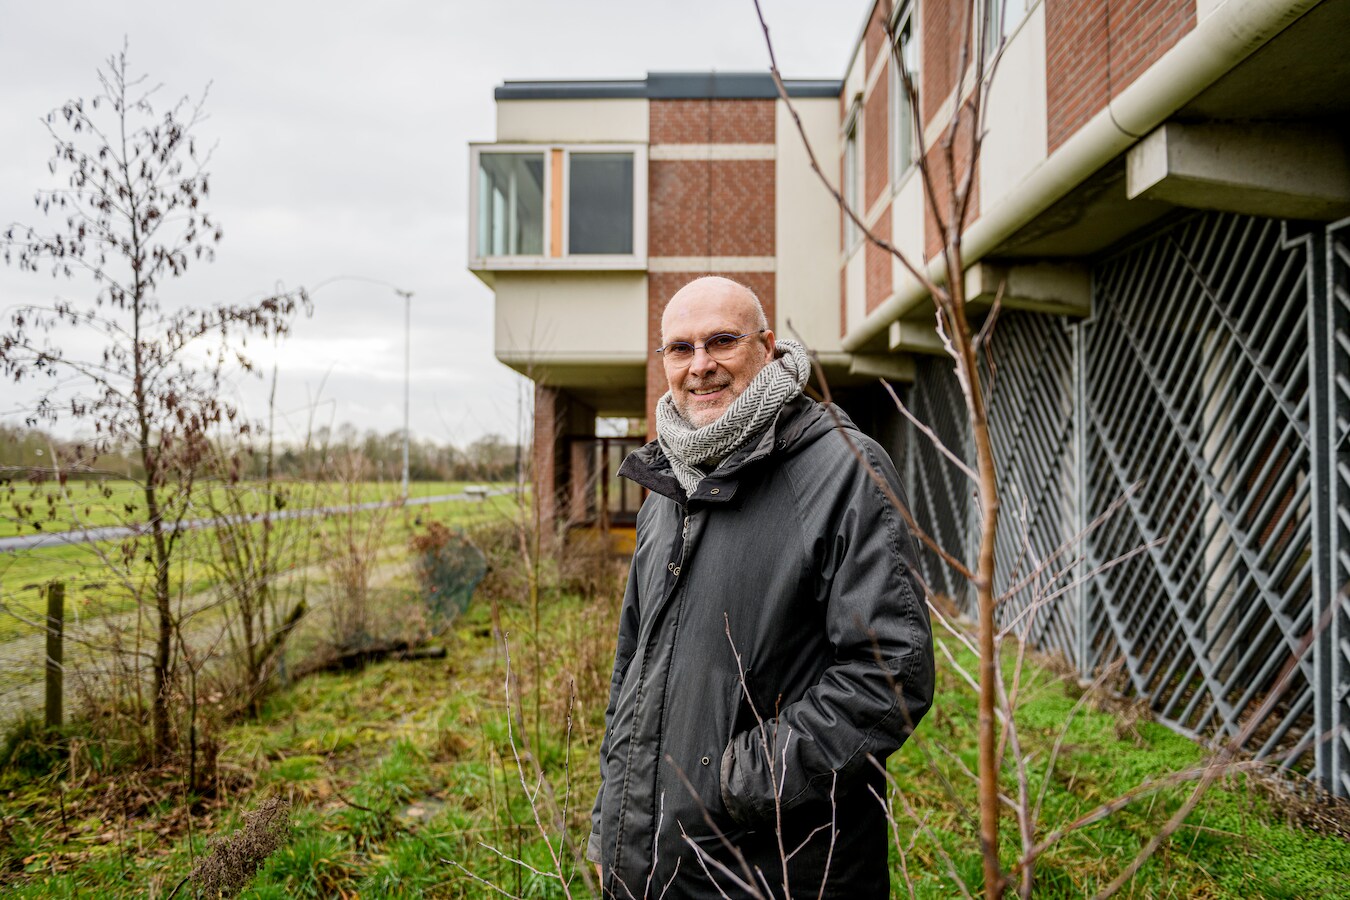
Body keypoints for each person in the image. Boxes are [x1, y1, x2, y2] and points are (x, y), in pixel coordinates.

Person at [587, 276, 935, 899]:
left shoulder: (844, 472)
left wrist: (734, 786)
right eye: (679, 348)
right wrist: (612, 828)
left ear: (768, 346)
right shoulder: (668, 485)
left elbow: (890, 675)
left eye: (722, 341)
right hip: (654, 862)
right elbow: (631, 670)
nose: (700, 366)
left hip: (776, 868)